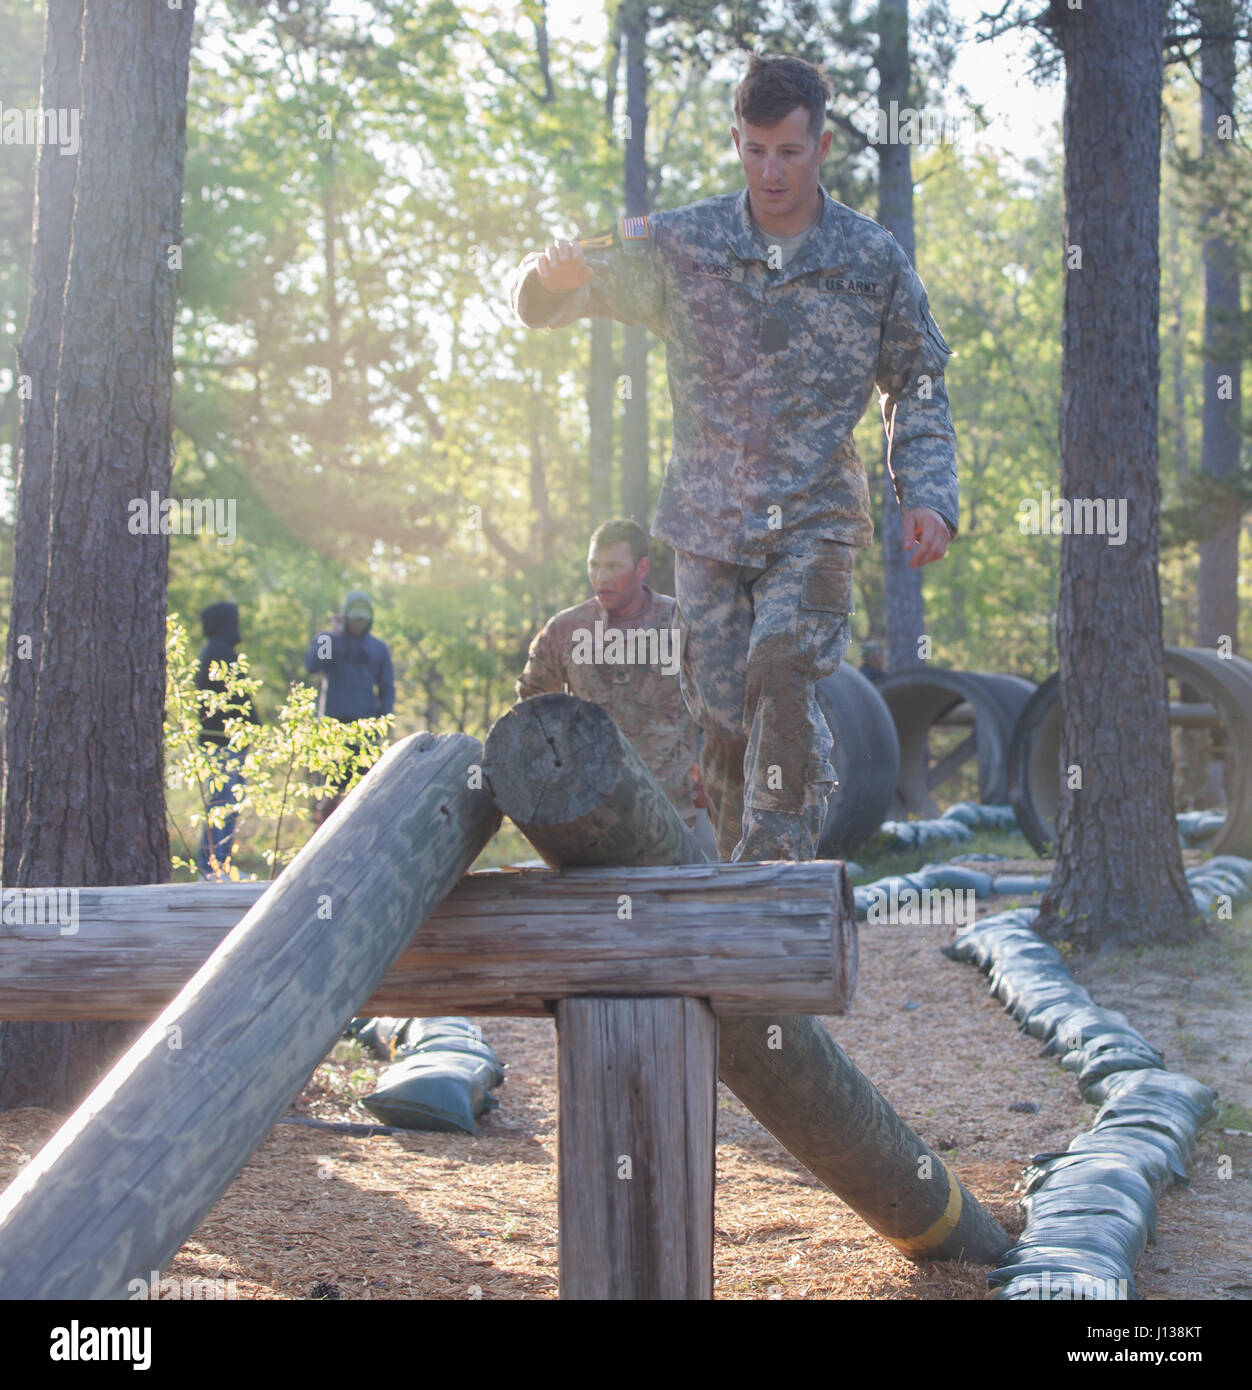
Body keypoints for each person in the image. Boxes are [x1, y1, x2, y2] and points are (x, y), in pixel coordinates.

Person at [509, 53, 957, 862]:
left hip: (815, 517)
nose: (770, 170)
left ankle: (774, 874)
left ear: (821, 148)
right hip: (708, 521)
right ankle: (725, 869)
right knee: (720, 709)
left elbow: (917, 379)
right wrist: (550, 277)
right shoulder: (687, 244)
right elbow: (550, 302)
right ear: (736, 143)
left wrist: (924, 493)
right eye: (754, 150)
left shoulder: (870, 259)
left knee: (781, 665)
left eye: (788, 151)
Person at [517, 519, 717, 855]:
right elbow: (533, 710)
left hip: (675, 810)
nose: (601, 577)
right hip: (589, 813)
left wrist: (708, 774)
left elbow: (719, 710)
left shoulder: (681, 623)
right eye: (593, 565)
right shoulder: (566, 629)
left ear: (641, 569)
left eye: (613, 566)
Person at [304, 589, 395, 821]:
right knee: (328, 790)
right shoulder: (328, 640)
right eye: (354, 619)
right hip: (332, 729)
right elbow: (314, 665)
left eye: (362, 620)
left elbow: (387, 689)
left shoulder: (378, 648)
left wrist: (383, 723)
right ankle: (320, 835)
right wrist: (334, 635)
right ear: (345, 617)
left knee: (364, 791)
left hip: (364, 729)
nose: (358, 625)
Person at [196, 601, 259, 878]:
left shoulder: (214, 651)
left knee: (224, 802)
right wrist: (253, 725)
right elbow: (237, 698)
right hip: (224, 742)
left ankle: (214, 864)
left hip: (223, 741)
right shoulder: (220, 653)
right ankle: (214, 866)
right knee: (225, 802)